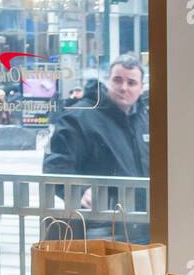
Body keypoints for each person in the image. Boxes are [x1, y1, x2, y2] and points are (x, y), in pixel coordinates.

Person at [44, 55, 149, 212]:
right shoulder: (79, 117)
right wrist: (80, 192)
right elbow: (56, 166)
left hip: (145, 221)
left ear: (141, 88)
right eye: (118, 80)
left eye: (132, 83)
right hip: (102, 222)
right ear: (107, 81)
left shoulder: (145, 117)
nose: (124, 87)